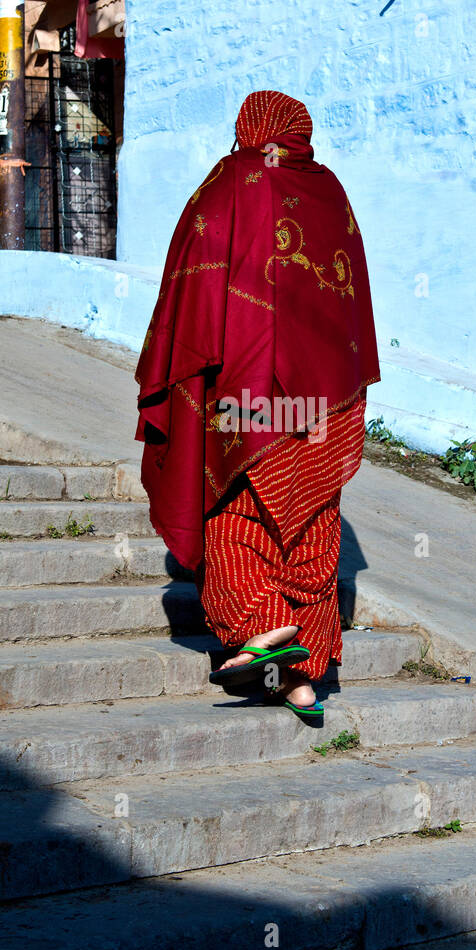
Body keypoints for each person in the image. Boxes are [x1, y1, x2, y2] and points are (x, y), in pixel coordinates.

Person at [135, 90, 379, 720]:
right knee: (312, 531)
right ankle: (302, 683)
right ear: (299, 132)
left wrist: (187, 376)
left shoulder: (227, 182)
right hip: (326, 411)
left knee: (238, 519)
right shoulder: (328, 191)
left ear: (248, 127)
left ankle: (265, 630)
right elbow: (350, 298)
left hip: (249, 405)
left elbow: (189, 283)